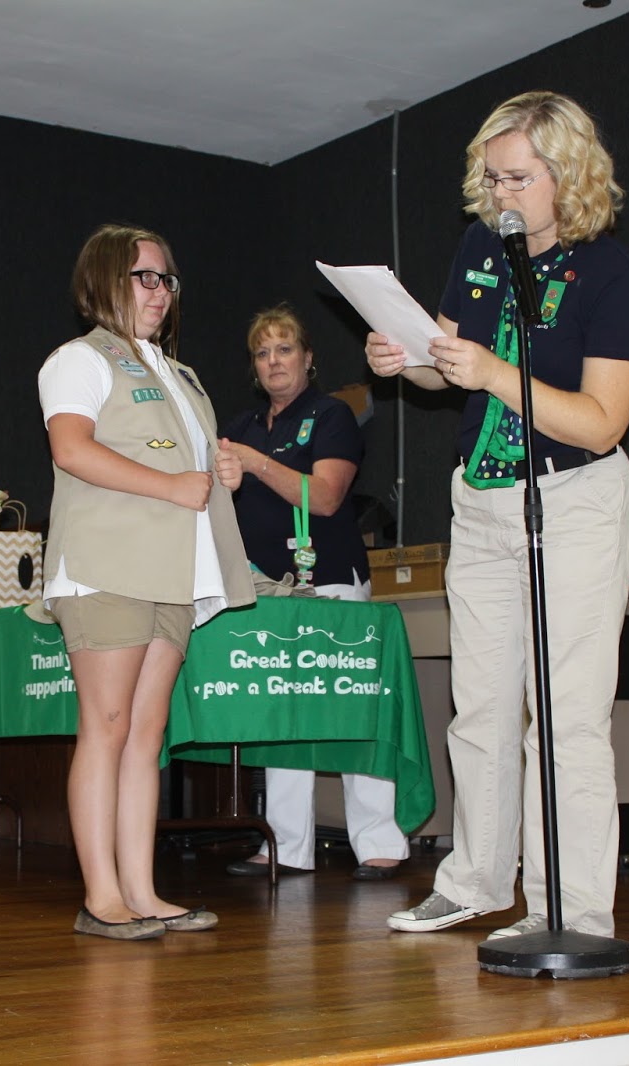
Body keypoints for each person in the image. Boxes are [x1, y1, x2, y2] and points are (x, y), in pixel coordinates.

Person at [368, 91, 629, 940]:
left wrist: (491, 370)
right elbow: (445, 370)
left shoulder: (612, 272)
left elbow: (602, 421)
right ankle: (476, 883)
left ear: (568, 176)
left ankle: (574, 912)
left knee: (565, 716)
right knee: (480, 708)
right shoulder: (477, 248)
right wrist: (407, 357)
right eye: (491, 178)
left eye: (518, 178)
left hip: (572, 501)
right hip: (482, 500)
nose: (500, 194)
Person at [38, 222, 257, 940]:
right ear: (104, 280)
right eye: (143, 277)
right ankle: (101, 894)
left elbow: (195, 471)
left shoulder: (180, 373)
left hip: (173, 571)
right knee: (104, 727)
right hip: (106, 566)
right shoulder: (78, 360)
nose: (159, 291)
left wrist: (222, 472)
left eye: (166, 278)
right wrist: (172, 488)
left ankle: (141, 888)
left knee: (146, 732)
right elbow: (71, 450)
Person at [216, 305, 409, 881]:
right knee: (282, 713)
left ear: (308, 358)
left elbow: (325, 498)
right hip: (267, 590)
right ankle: (287, 846)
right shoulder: (243, 426)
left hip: (330, 584)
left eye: (284, 349)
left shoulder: (331, 416)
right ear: (254, 366)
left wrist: (253, 465)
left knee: (350, 708)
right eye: (262, 352)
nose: (273, 361)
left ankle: (380, 842)